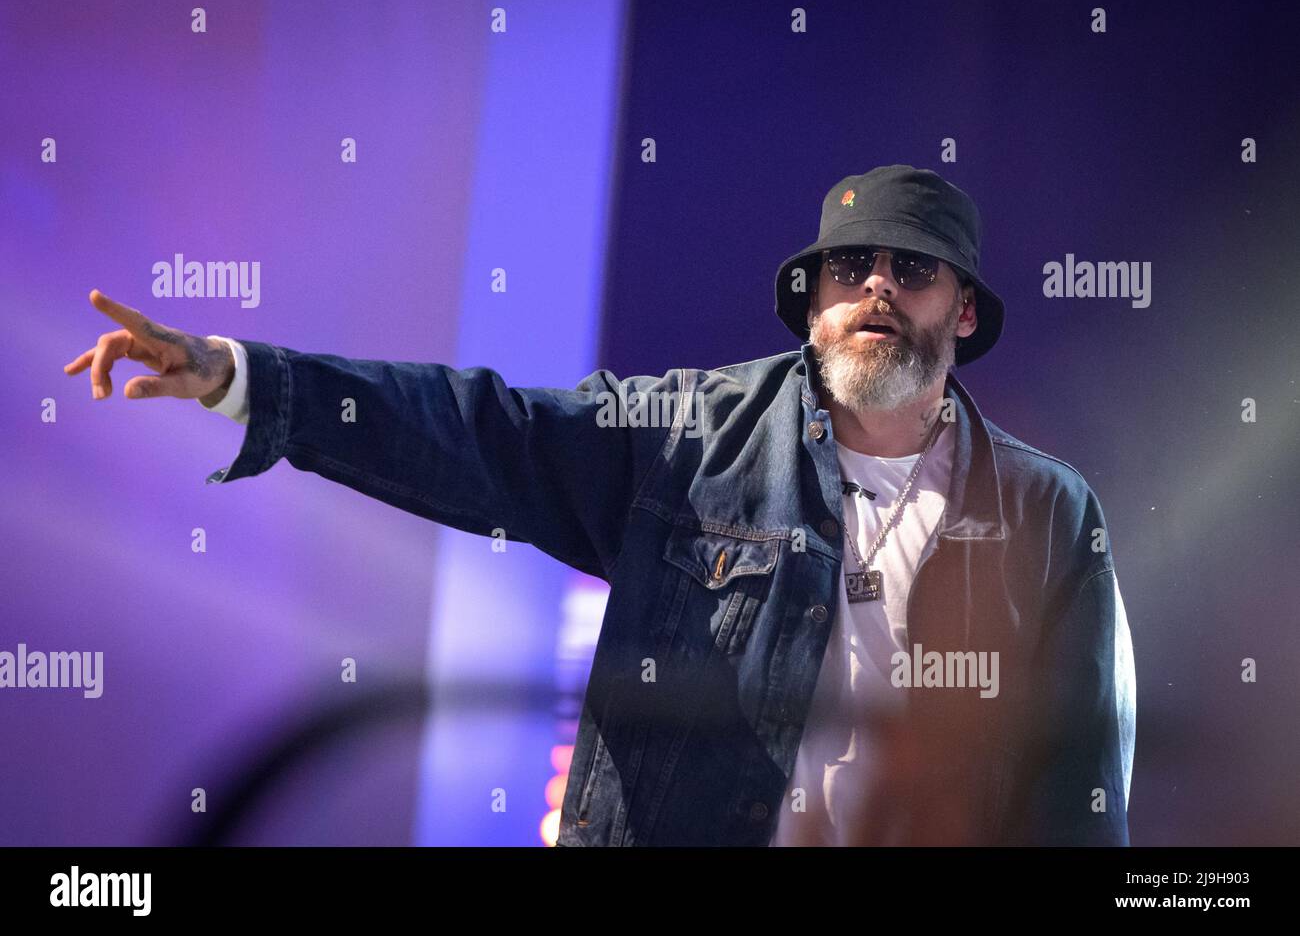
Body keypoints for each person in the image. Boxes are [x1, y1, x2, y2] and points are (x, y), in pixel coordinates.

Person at [64, 165, 1136, 846]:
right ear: (810, 305)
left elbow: (1077, 783)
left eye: (912, 268)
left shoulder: (1045, 511)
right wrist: (242, 375)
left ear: (962, 308)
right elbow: (479, 427)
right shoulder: (682, 435)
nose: (876, 290)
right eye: (849, 266)